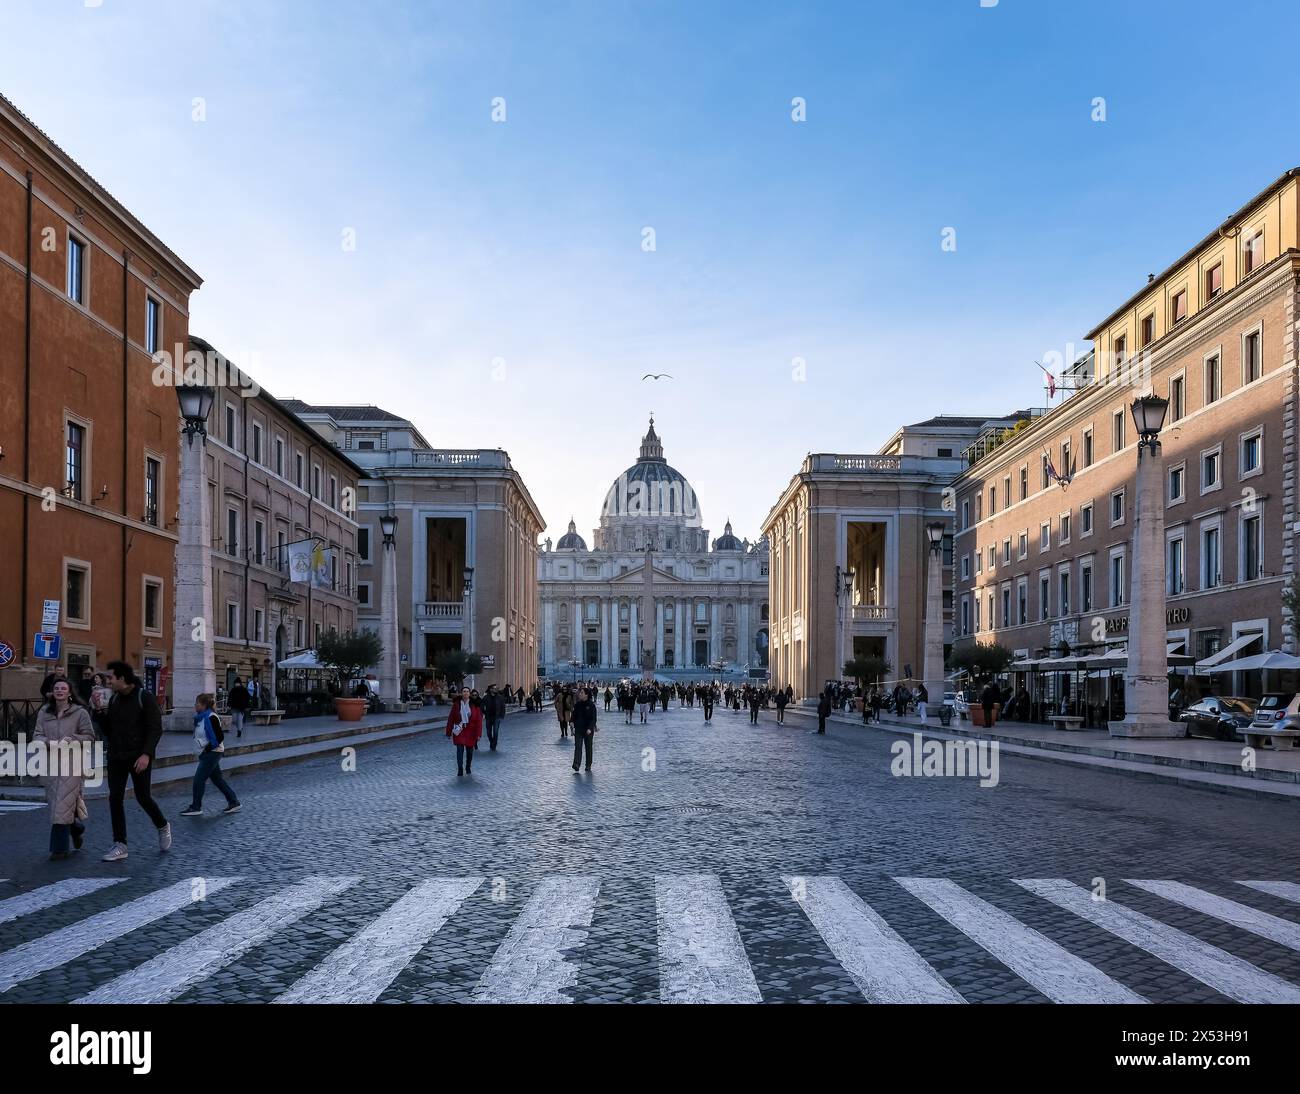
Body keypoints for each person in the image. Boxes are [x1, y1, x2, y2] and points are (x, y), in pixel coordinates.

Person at [100, 661, 170, 862]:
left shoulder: (144, 697)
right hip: (116, 756)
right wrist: (98, 712)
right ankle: (120, 844)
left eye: (110, 678)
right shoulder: (113, 700)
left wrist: (146, 754)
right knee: (115, 798)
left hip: (139, 756)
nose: (108, 681)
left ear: (122, 678)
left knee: (143, 797)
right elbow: (108, 731)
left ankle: (162, 825)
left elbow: (155, 728)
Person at [34, 678, 96, 860]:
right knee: (59, 804)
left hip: (73, 763)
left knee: (61, 804)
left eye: (63, 688)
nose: (60, 691)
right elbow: (37, 736)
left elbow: (89, 736)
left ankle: (58, 849)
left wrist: (72, 740)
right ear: (52, 692)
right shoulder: (44, 712)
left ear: (70, 693)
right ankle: (76, 828)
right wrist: (49, 743)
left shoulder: (80, 713)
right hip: (51, 764)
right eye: (56, 688)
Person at [180, 693, 240, 817]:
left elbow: (219, 736)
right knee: (217, 779)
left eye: (197, 703)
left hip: (213, 752)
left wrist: (207, 749)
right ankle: (234, 802)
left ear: (204, 705)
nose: (195, 705)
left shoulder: (211, 717)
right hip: (207, 752)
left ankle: (196, 806)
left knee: (198, 779)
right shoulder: (200, 718)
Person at [445, 685, 483, 776]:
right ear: (461, 693)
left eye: (467, 691)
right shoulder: (456, 704)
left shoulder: (474, 705)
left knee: (470, 751)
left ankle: (468, 766)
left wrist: (479, 734)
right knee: (459, 750)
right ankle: (460, 769)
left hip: (471, 731)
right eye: (464, 691)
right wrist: (448, 732)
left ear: (469, 694)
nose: (465, 693)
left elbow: (479, 720)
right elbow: (451, 718)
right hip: (460, 730)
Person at [571, 687, 598, 772]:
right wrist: (571, 722)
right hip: (578, 729)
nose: (580, 694)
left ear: (586, 695)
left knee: (588, 747)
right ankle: (576, 764)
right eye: (580, 693)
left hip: (588, 730)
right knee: (578, 747)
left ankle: (588, 765)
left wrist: (590, 728)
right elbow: (573, 716)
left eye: (582, 693)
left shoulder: (591, 705)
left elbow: (594, 719)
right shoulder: (577, 705)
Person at [485, 685, 506, 750]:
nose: (495, 689)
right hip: (488, 717)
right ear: (490, 689)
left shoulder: (500, 697)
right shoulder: (486, 697)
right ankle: (491, 742)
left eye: (496, 688)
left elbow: (503, 707)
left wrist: (502, 716)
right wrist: (484, 712)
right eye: (494, 688)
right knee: (488, 732)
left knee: (495, 732)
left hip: (497, 717)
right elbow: (482, 706)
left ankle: (494, 745)